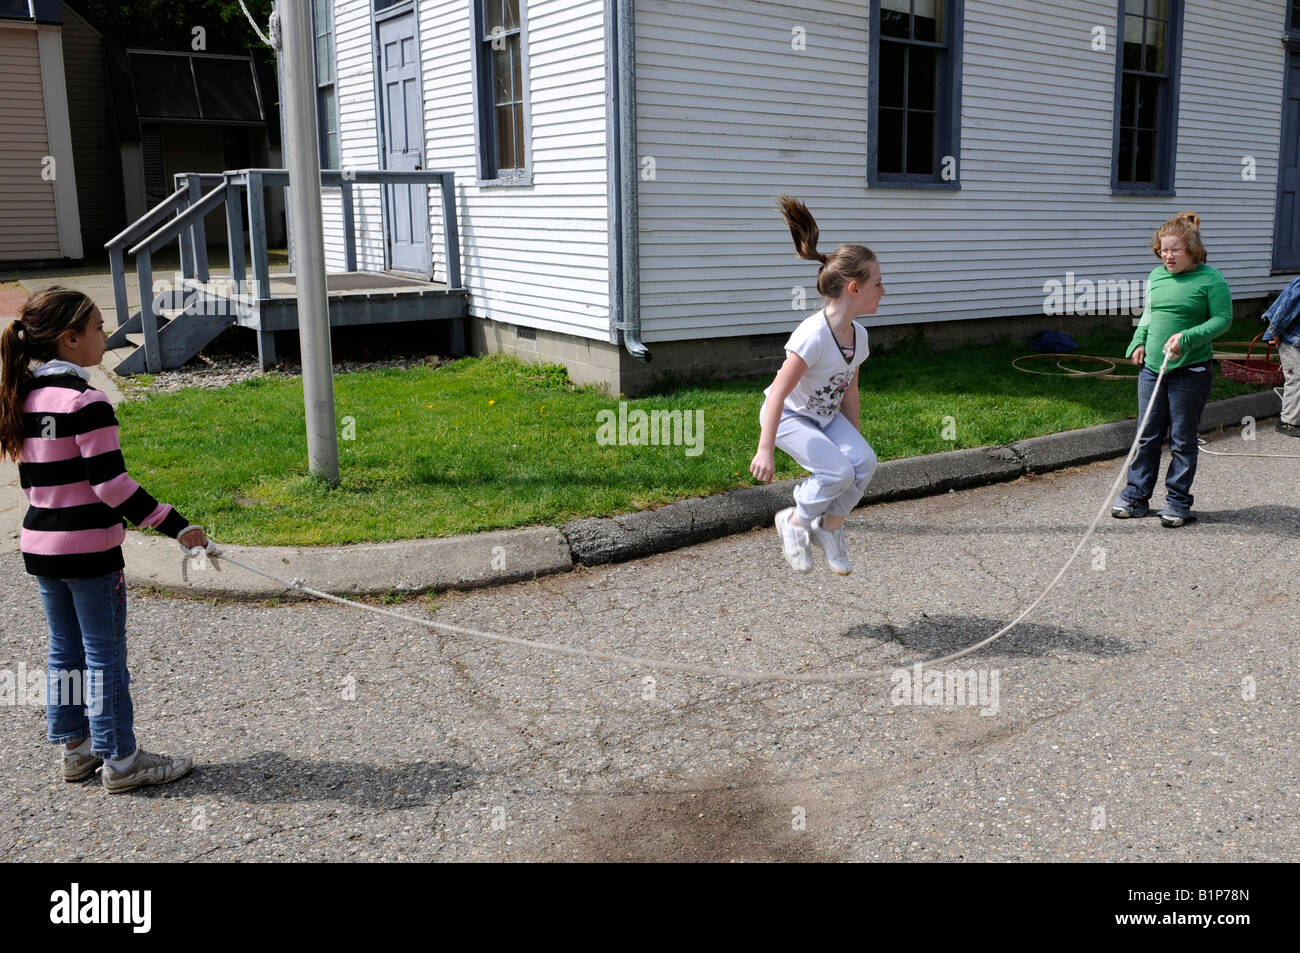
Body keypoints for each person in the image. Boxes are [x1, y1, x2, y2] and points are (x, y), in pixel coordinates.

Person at [0, 287, 206, 792]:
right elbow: (110, 485)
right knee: (104, 653)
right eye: (96, 328)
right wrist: (175, 524)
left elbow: (39, 482)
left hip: (41, 548)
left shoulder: (22, 396)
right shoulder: (85, 401)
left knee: (64, 649)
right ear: (71, 339)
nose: (105, 336)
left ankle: (75, 749)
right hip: (89, 550)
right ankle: (122, 760)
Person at [750, 196, 881, 574]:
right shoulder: (812, 336)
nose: (883, 291)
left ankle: (830, 527)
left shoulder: (860, 336)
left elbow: (850, 389)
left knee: (863, 463)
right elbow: (777, 393)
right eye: (878, 284)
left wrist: (854, 439)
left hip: (824, 417)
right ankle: (793, 522)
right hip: (789, 418)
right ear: (854, 289)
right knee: (837, 472)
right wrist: (764, 449)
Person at [1113, 212, 1232, 527]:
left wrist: (1189, 338)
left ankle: (1178, 504)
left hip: (1190, 373)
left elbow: (1223, 319)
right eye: (1163, 249)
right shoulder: (1156, 277)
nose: (1167, 255)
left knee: (1182, 440)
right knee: (1146, 435)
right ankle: (1135, 498)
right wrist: (1138, 342)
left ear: (1192, 249)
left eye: (1174, 250)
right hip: (1153, 370)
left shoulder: (1211, 279)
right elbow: (1149, 315)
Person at [1260, 274, 1300, 437]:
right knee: (1296, 379)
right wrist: (1274, 332)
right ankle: (1288, 422)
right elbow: (1285, 309)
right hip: (1290, 339)